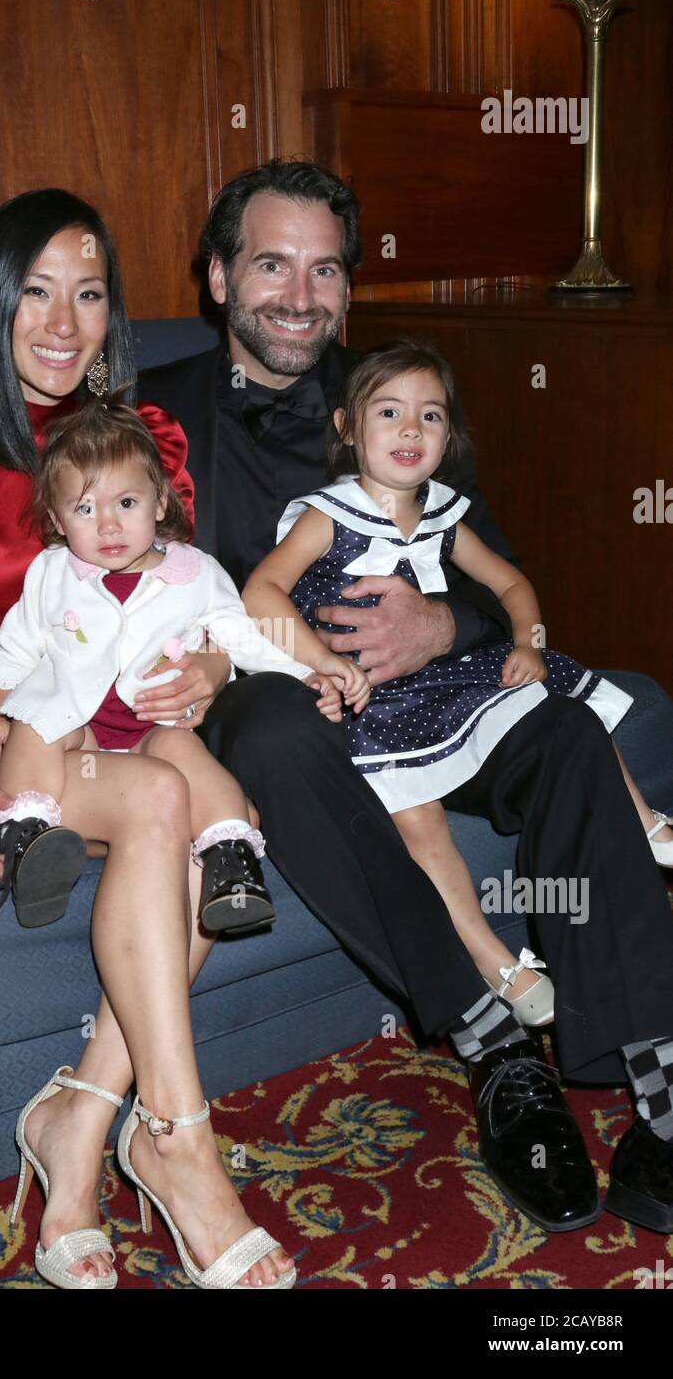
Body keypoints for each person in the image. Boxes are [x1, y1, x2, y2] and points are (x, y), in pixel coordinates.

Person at [0, 161, 673, 1236]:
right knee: (268, 733)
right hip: (242, 702)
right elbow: (59, 536)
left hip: (424, 697)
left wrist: (443, 625)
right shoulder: (156, 416)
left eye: (323, 270)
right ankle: (492, 1045)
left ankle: (651, 1067)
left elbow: (491, 567)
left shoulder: (394, 394)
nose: (297, 294)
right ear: (220, 278)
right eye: (270, 264)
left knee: (561, 727)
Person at [0, 187, 297, 1290]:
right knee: (176, 804)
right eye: (36, 292)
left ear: (113, 317)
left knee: (199, 804)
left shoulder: (146, 441)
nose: (63, 322)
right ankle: (177, 1142)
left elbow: (183, 593)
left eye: (89, 293)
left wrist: (205, 669)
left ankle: (83, 1120)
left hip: (125, 734)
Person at [243, 339, 673, 1030]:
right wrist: (316, 662)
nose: (411, 430)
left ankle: (647, 823)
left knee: (557, 706)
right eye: (389, 412)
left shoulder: (448, 513)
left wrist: (530, 644)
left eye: (431, 416)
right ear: (348, 429)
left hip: (449, 677)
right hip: (373, 698)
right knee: (418, 817)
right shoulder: (327, 515)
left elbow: (511, 583)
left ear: (451, 435)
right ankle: (491, 958)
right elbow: (261, 591)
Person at [0, 394, 338, 932]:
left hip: (152, 726)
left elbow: (244, 636)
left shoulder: (196, 573)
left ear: (161, 502)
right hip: (77, 730)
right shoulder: (51, 574)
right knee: (33, 728)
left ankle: (231, 859)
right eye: (84, 509)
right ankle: (28, 842)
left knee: (185, 758)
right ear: (56, 518)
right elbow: (13, 645)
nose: (109, 527)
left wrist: (306, 671)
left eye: (126, 504)